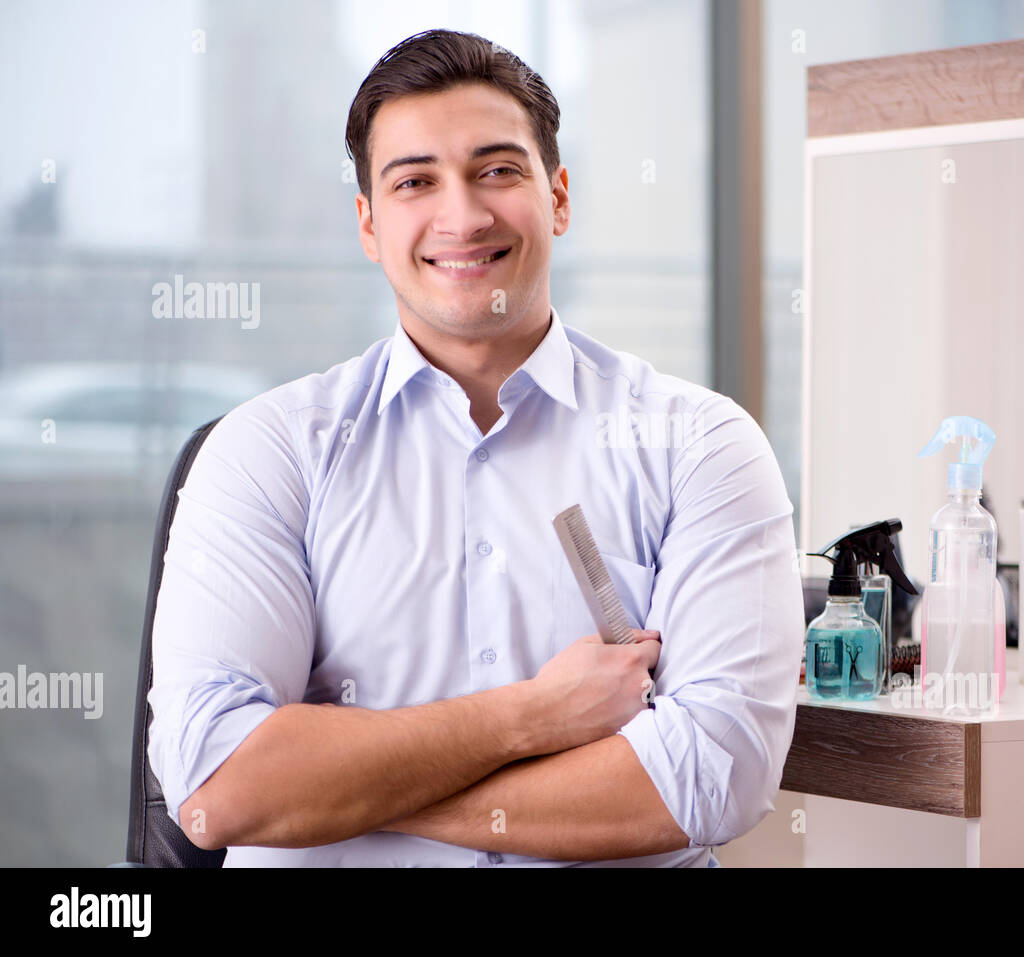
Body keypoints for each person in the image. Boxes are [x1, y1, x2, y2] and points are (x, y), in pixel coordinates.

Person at [147, 28, 803, 867]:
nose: (462, 214)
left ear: (558, 197)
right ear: (369, 224)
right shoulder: (268, 450)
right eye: (416, 181)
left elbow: (716, 775)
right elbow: (215, 785)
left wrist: (346, 790)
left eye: (497, 170)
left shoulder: (700, 445)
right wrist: (531, 716)